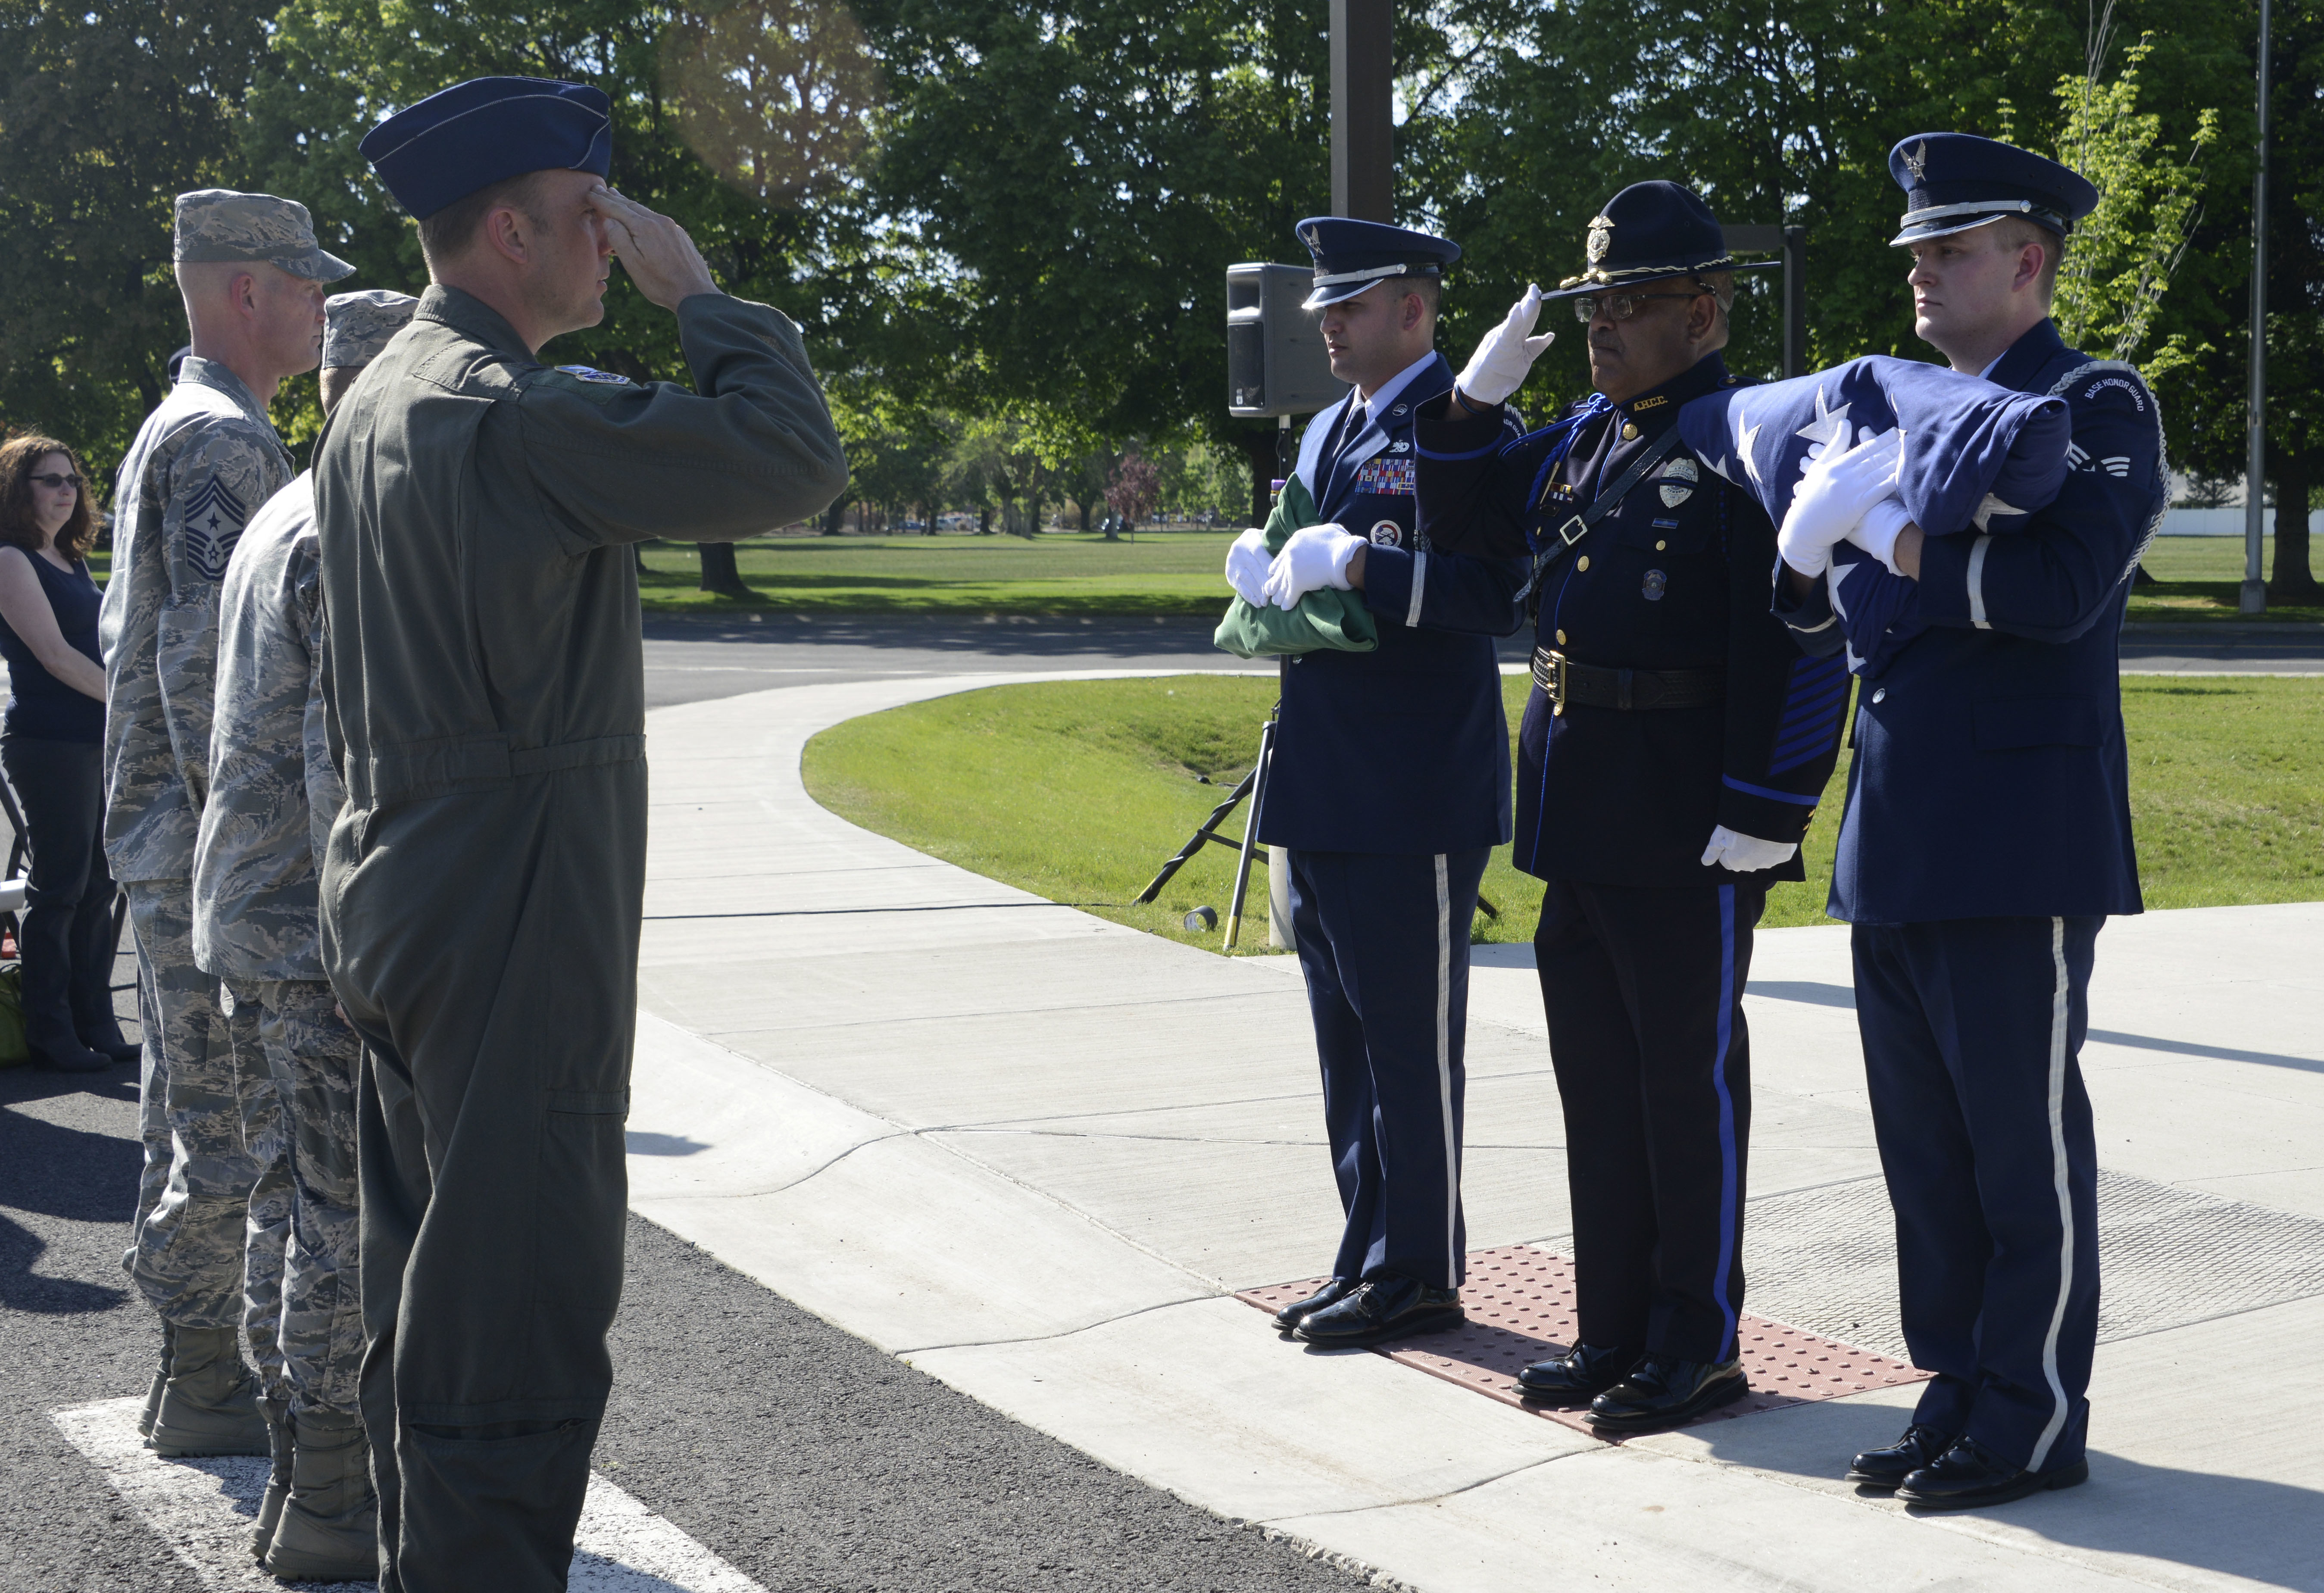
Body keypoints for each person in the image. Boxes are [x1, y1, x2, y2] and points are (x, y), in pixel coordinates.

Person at [317, 75, 846, 1590]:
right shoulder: (513, 412)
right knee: (516, 1313)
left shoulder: (380, 397)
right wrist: (707, 299)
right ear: (509, 232)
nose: (616, 244)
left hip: (398, 885)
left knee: (428, 1291)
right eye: (592, 217)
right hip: (511, 897)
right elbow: (793, 460)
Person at [1412, 181, 1845, 1431]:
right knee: (1597, 1087)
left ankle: (1695, 1342)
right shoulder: (1585, 438)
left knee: (1683, 1092)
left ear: (1701, 313)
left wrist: (1768, 806)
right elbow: (1467, 526)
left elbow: (1801, 646)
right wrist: (1470, 405)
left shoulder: (1747, 442)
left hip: (1685, 816)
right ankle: (1610, 1330)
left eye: (1630, 304)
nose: (1599, 326)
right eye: (1593, 305)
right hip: (1582, 801)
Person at [1774, 133, 2160, 1509]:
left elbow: (2058, 591)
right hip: (1899, 826)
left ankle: (2034, 1415)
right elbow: (1828, 618)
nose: (1922, 271)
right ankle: (1957, 1388)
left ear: (2029, 260)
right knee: (1927, 1158)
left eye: (1951, 248)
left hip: (2016, 835)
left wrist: (1888, 538)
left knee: (2017, 1150)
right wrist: (1809, 551)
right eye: (1917, 251)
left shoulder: (2093, 401)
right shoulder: (1895, 410)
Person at [1229, 217, 1529, 1351]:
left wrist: (1363, 563)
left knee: (1408, 1045)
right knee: (1345, 1044)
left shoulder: (1465, 424)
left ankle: (1421, 1269)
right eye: (1322, 308)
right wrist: (1261, 567)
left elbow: (1497, 592)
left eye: (1348, 307)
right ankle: (1366, 1252)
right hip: (1323, 773)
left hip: (1412, 785)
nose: (1327, 326)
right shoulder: (1327, 430)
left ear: (1413, 308)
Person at [102, 189, 350, 1460]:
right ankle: (206, 1379)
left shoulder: (185, 421)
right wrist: (243, 863)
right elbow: (210, 682)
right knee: (233, 1127)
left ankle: (191, 1372)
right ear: (246, 291)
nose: (321, 307)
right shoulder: (223, 444)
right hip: (206, 841)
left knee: (189, 1112)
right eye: (306, 284)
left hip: (164, 840)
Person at [193, 289, 419, 1581]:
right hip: (313, 934)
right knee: (344, 1217)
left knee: (289, 1200)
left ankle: (298, 1476)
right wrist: (369, 946)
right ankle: (333, 1498)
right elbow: (347, 764)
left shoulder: (283, 504)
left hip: (248, 917)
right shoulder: (347, 519)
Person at [0, 435, 136, 1073]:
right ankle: (51, 1031)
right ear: (16, 490)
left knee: (100, 885)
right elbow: (55, 658)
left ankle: (95, 1022)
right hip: (49, 743)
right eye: (49, 480)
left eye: (71, 480)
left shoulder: (71, 559)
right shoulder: (11, 560)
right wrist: (129, 701)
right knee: (60, 887)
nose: (65, 491)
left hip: (95, 738)